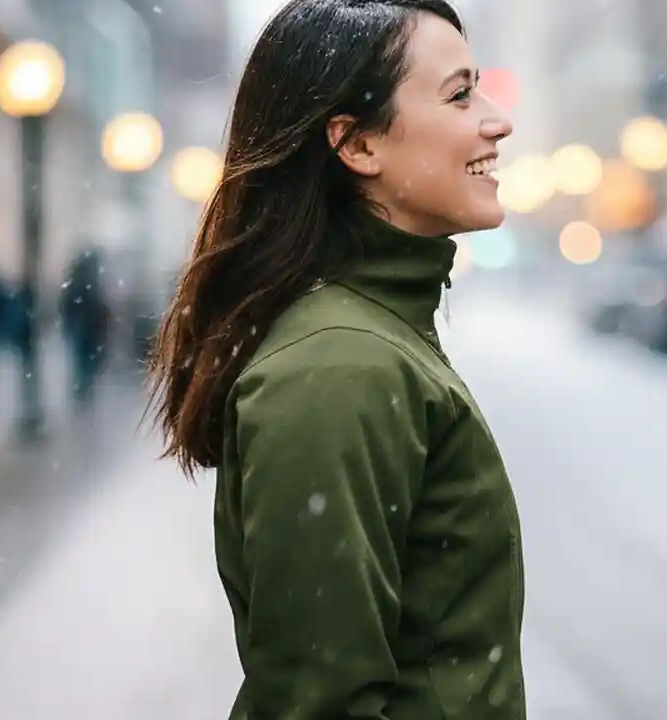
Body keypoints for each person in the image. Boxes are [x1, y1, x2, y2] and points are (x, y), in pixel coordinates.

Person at [145, 1, 523, 717]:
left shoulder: (371, 337)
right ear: (355, 145)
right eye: (460, 95)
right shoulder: (341, 367)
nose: (497, 121)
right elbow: (319, 703)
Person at [59, 248, 111, 405]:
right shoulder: (88, 283)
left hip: (85, 329)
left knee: (83, 363)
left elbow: (66, 306)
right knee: (85, 363)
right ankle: (83, 391)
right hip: (85, 329)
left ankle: (83, 391)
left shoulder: (80, 282)